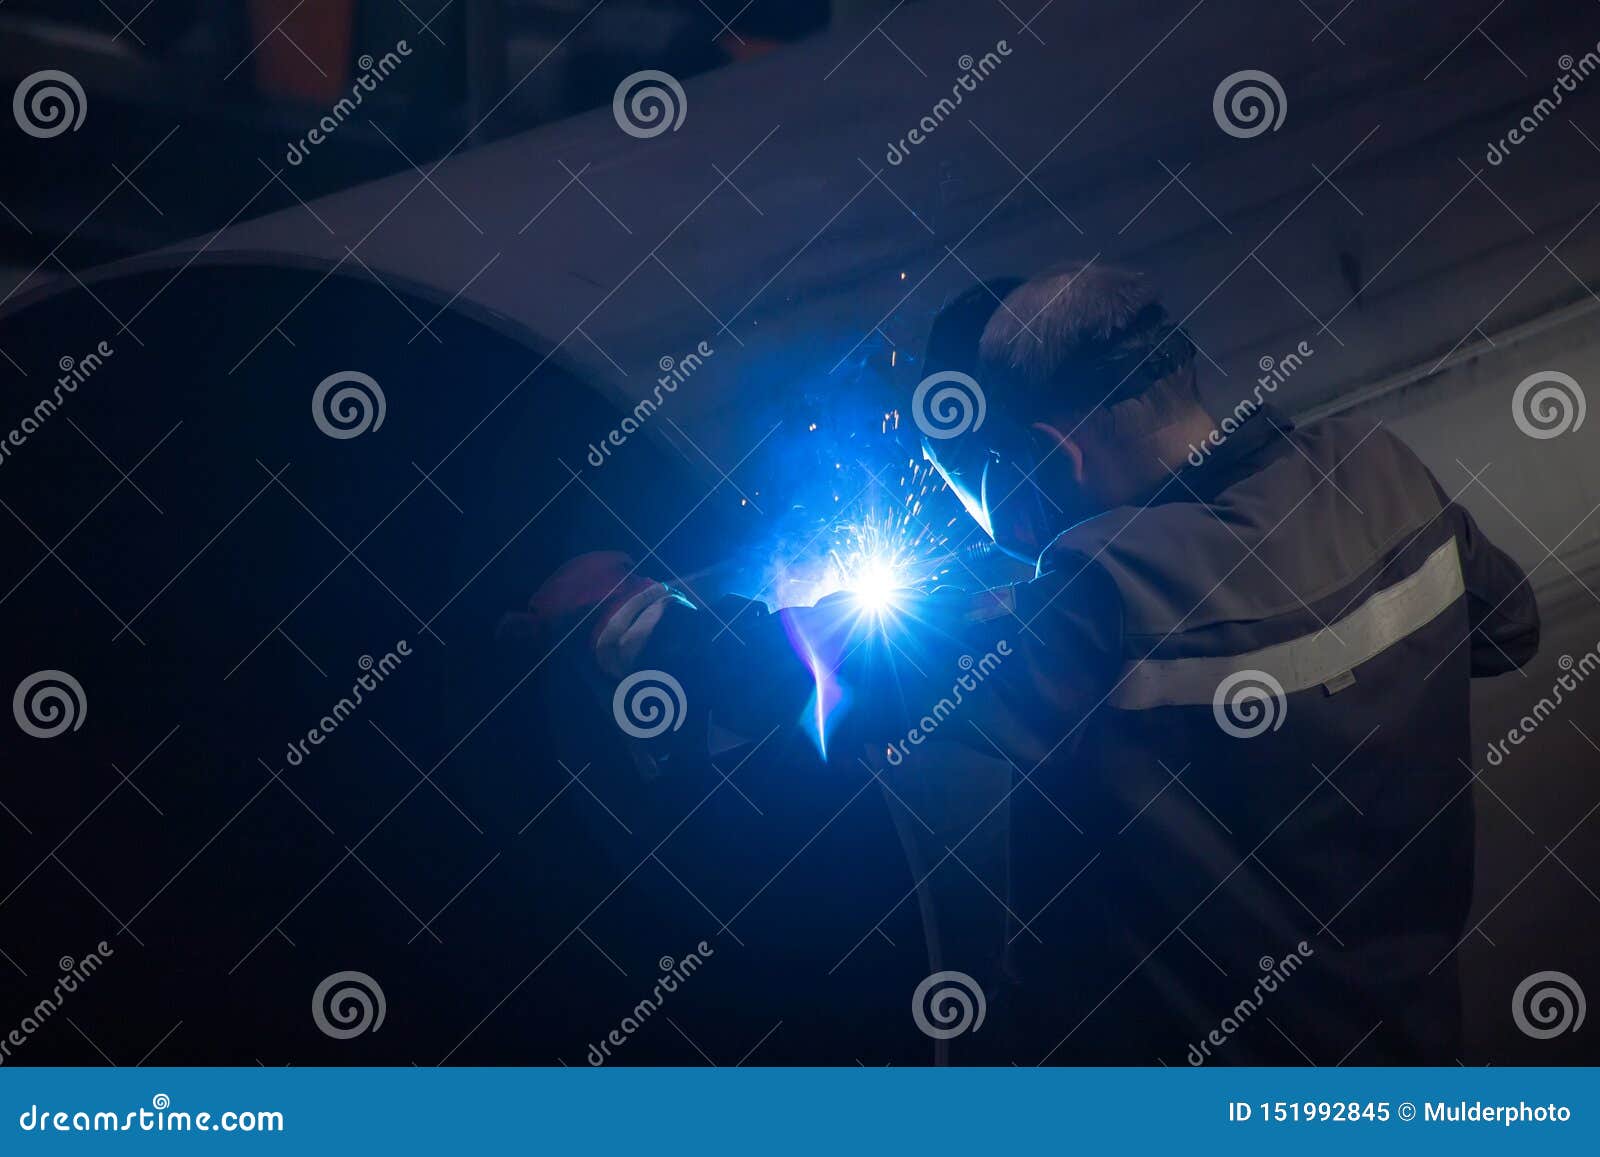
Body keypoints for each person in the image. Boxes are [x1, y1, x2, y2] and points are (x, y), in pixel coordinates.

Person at [529, 264, 1539, 1064]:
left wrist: (668, 634)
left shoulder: (1102, 586)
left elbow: (833, 665)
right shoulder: (1375, 468)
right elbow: (1507, 629)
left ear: (1054, 459)